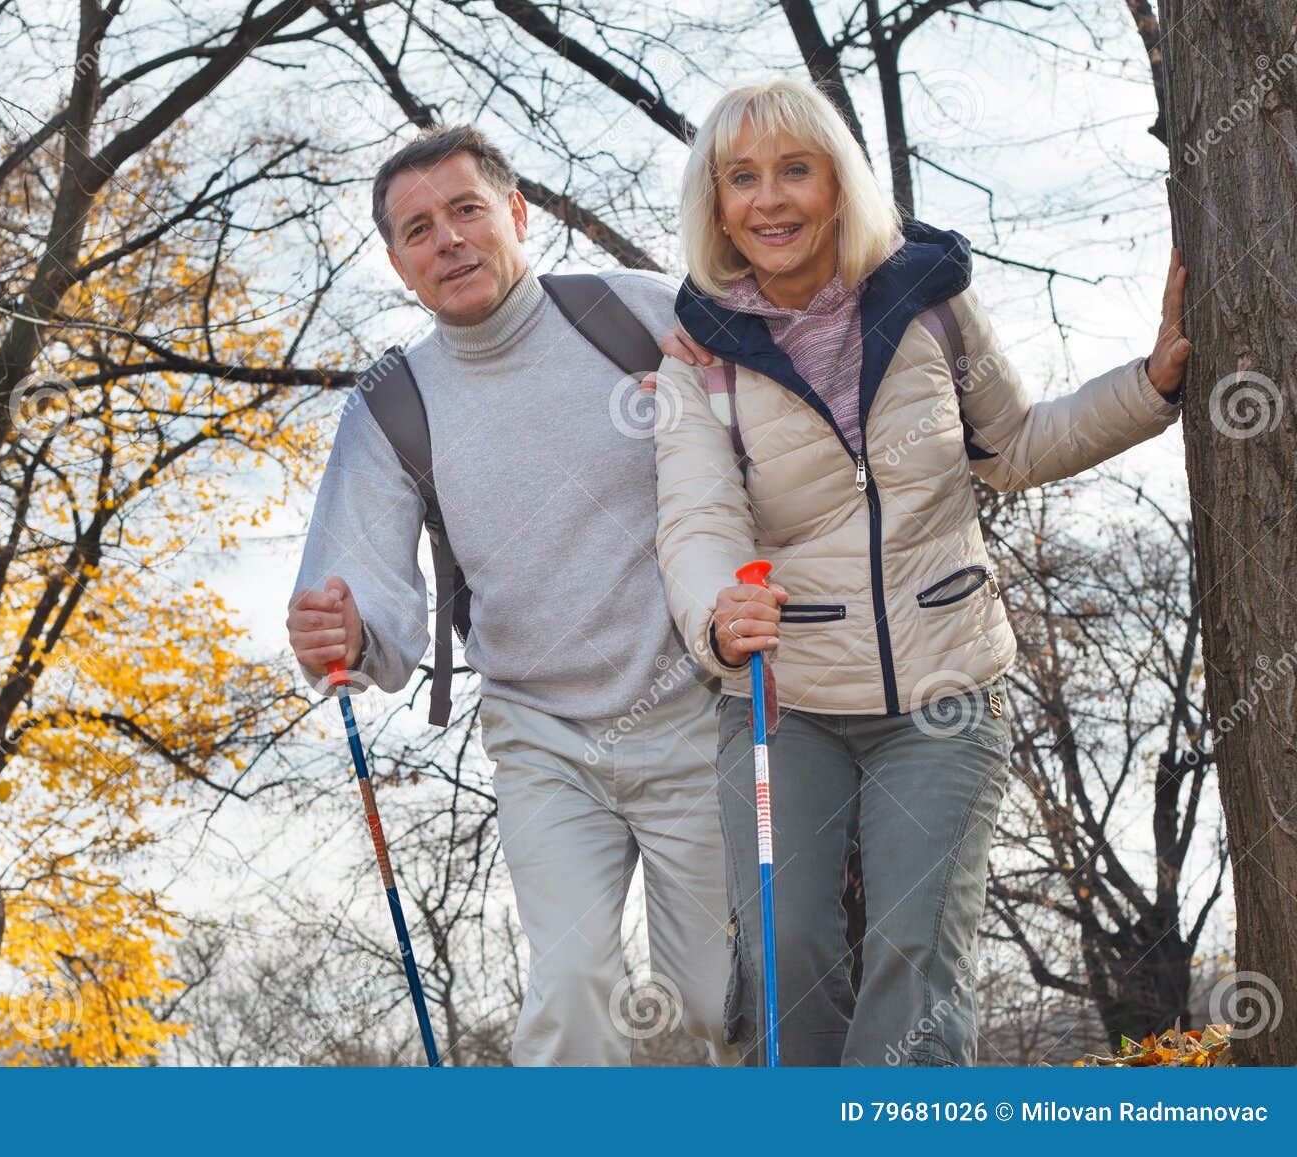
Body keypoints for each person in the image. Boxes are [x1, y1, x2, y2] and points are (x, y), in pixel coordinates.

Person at [651, 76, 1190, 1066]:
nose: (769, 199)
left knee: (914, 951)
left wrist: (1152, 384)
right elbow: (695, 519)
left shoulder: (926, 300)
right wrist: (716, 609)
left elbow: (1017, 443)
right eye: (742, 178)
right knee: (788, 950)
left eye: (794, 170)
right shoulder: (700, 356)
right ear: (716, 203)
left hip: (943, 685)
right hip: (784, 694)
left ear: (837, 182)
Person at [287, 124, 738, 1066]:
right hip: (543, 737)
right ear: (398, 261)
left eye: (465, 210)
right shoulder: (390, 405)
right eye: (417, 229)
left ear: (516, 215)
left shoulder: (633, 310)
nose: (446, 240)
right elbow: (361, 590)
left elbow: (768, 435)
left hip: (694, 705)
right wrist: (344, 627)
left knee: (713, 1000)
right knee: (573, 994)